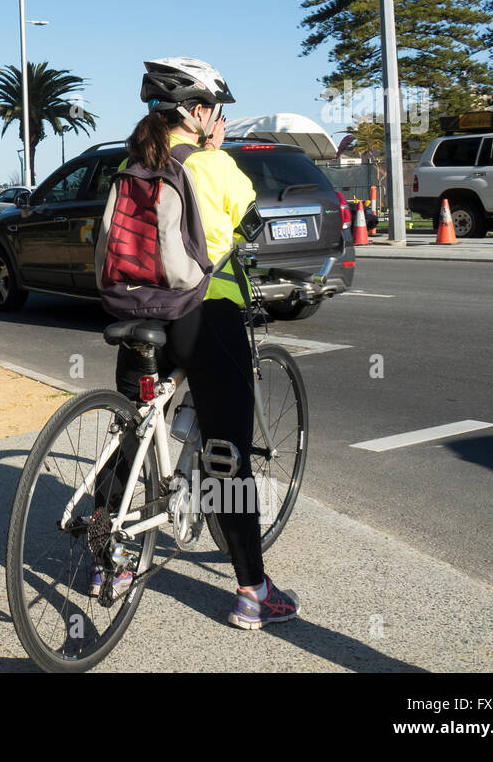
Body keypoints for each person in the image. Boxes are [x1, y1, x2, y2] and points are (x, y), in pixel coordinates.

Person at [112, 56, 300, 630]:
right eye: (215, 110)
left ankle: (112, 556)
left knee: (134, 432)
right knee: (230, 456)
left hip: (138, 312)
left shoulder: (132, 163)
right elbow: (252, 222)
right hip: (204, 313)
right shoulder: (215, 164)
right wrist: (216, 151)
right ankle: (252, 591)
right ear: (198, 113)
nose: (219, 119)